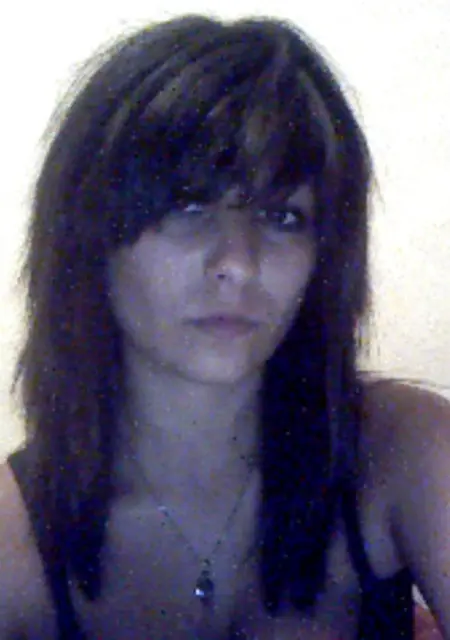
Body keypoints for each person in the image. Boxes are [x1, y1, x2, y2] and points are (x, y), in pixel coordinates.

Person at [0, 12, 448, 640]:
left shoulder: (403, 449)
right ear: (91, 238)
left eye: (282, 216)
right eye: (187, 204)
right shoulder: (15, 536)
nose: (238, 262)